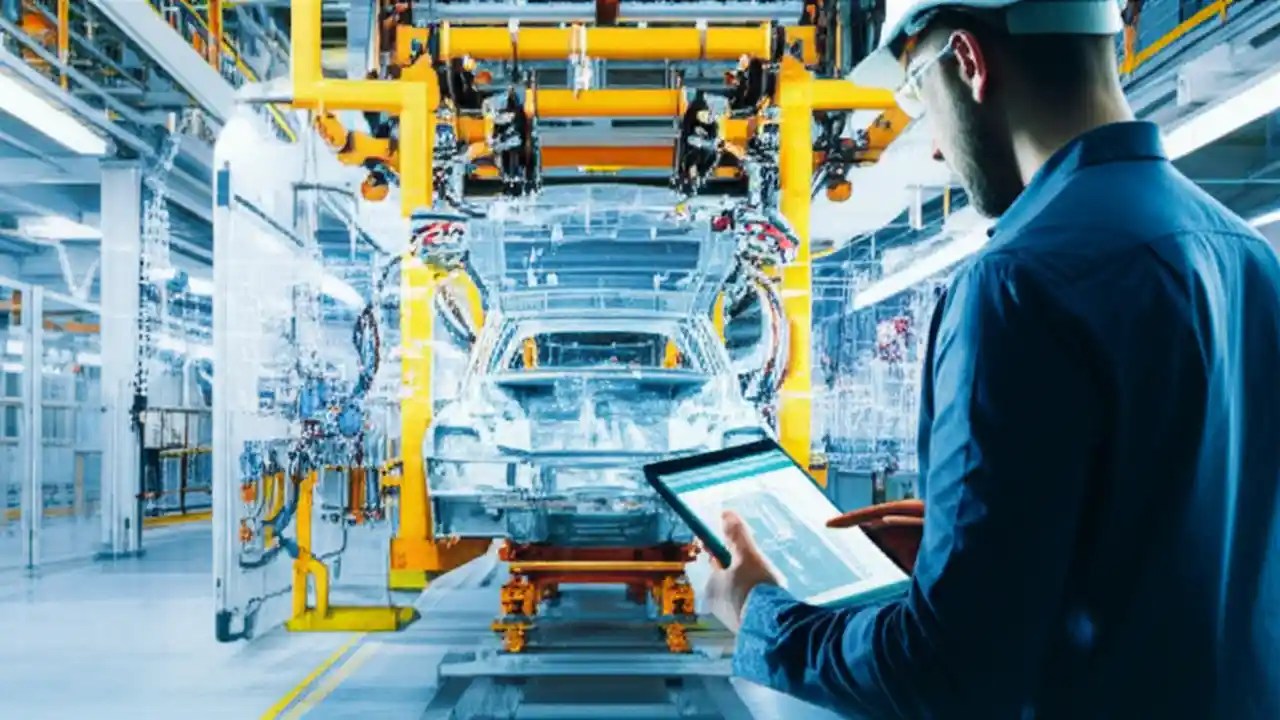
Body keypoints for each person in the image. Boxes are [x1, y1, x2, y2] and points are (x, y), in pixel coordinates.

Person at [703, 1, 1280, 718]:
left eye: (919, 96)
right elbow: (1184, 541)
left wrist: (758, 612)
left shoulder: (1015, 282)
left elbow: (945, 671)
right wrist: (978, 537)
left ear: (969, 62)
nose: (934, 150)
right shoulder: (1250, 258)